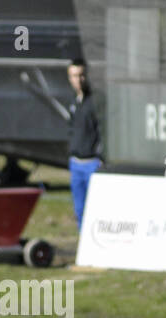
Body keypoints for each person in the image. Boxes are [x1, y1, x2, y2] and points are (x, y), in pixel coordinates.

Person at [66, 57, 103, 230]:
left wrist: (100, 156)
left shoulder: (95, 102)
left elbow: (104, 130)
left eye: (81, 75)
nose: (78, 80)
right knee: (79, 210)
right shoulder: (74, 103)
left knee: (96, 210)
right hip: (76, 164)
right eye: (74, 76)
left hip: (92, 164)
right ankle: (83, 245)